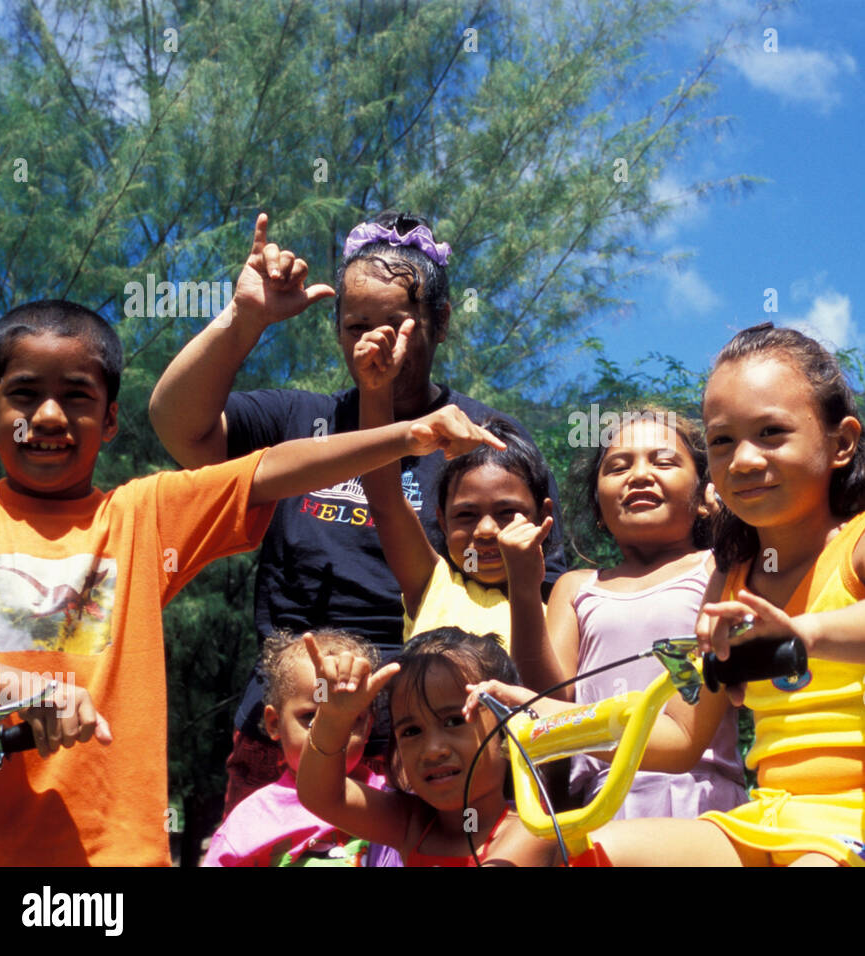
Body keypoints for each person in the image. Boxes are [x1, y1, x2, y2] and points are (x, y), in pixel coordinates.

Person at [0, 299, 502, 864]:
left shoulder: (143, 517)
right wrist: (27, 694)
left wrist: (405, 437)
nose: (50, 416)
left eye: (77, 396)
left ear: (109, 420)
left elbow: (276, 466)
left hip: (117, 854)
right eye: (25, 394)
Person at [473, 324, 865, 866]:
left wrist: (803, 633)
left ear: (840, 442)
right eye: (723, 440)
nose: (743, 460)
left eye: (771, 432)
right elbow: (678, 737)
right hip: (768, 816)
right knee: (582, 854)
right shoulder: (731, 579)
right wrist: (549, 720)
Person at [148, 211, 566, 812]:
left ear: (440, 322)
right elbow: (177, 427)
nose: (374, 342)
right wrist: (244, 321)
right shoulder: (299, 423)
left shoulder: (484, 442)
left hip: (425, 738)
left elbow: (542, 601)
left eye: (397, 323)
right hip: (292, 725)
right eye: (355, 326)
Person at [504, 406, 746, 818]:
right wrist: (523, 588)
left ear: (706, 498)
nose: (638, 475)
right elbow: (549, 697)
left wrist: (733, 540)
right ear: (599, 511)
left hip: (702, 796)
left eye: (664, 461)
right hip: (597, 805)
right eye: (618, 467)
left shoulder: (720, 567)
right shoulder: (578, 587)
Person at [353, 322, 553, 646]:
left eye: (506, 512)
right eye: (465, 515)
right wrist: (376, 391)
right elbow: (385, 499)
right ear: (442, 523)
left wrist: (526, 586)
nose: (487, 530)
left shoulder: (560, 617)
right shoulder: (434, 586)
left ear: (543, 518)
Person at [297, 627, 556, 867]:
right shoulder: (413, 822)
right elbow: (321, 795)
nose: (433, 749)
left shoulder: (532, 831)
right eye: (411, 731)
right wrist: (333, 718)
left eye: (454, 721)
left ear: (506, 731)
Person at [203, 629, 384, 866]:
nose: (330, 730)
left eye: (350, 718)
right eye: (310, 717)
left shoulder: (389, 801)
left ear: (369, 725)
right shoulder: (252, 820)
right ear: (275, 723)